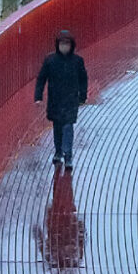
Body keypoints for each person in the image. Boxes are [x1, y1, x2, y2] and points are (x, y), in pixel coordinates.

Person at [33, 27, 88, 170]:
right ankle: (58, 152)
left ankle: (68, 155)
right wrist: (38, 96)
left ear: (72, 45)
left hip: (70, 100)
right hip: (55, 100)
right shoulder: (50, 60)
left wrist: (82, 95)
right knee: (57, 127)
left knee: (68, 126)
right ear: (57, 45)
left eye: (67, 44)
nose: (64, 47)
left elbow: (83, 79)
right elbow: (41, 78)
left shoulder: (77, 61)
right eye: (62, 44)